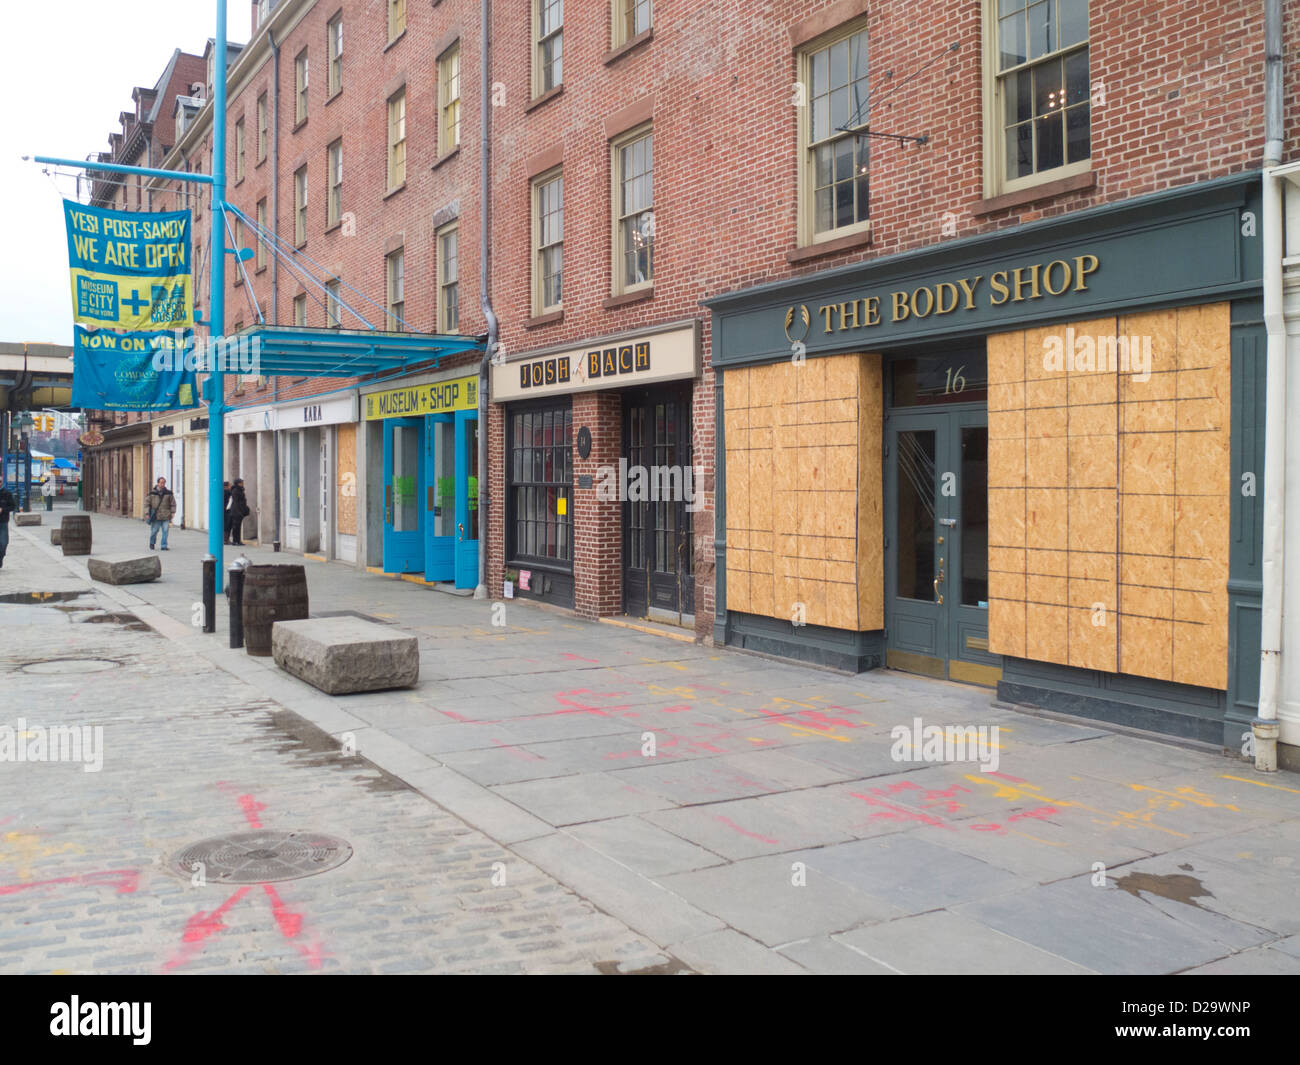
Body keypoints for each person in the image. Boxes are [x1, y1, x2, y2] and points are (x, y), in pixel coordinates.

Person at [146, 477, 176, 550]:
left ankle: (164, 545)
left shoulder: (168, 493)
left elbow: (173, 503)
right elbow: (146, 504)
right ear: (158, 483)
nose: (162, 484)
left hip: (166, 515)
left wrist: (173, 512)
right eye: (161, 482)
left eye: (164, 483)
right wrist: (147, 513)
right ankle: (152, 543)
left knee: (165, 531)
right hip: (156, 516)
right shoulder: (152, 493)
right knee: (154, 531)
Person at [229, 478, 250, 545]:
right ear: (238, 483)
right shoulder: (235, 491)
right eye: (241, 482)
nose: (242, 484)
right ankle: (235, 541)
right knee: (236, 527)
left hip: (240, 511)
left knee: (238, 526)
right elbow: (236, 502)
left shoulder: (240, 490)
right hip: (236, 512)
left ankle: (237, 540)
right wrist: (239, 512)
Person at [0, 483, 14, 569]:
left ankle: (1, 557)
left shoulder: (7, 493)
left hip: (3, 522)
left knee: (4, 543)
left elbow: (13, 506)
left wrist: (3, 510)